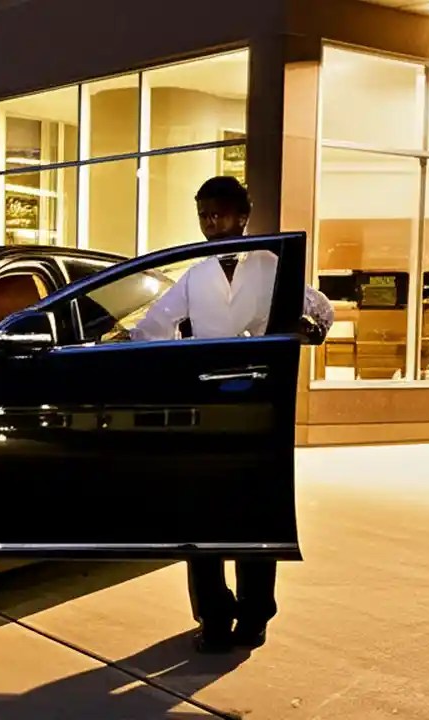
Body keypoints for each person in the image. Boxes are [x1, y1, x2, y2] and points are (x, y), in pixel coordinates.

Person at [130, 176, 334, 653]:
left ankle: (255, 614)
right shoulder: (195, 274)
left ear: (243, 216)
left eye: (218, 214)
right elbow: (153, 325)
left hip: (260, 400)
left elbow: (319, 308)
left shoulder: (268, 263)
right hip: (207, 404)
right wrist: (122, 349)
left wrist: (310, 327)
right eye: (203, 215)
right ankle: (214, 616)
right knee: (202, 516)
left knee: (255, 513)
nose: (210, 223)